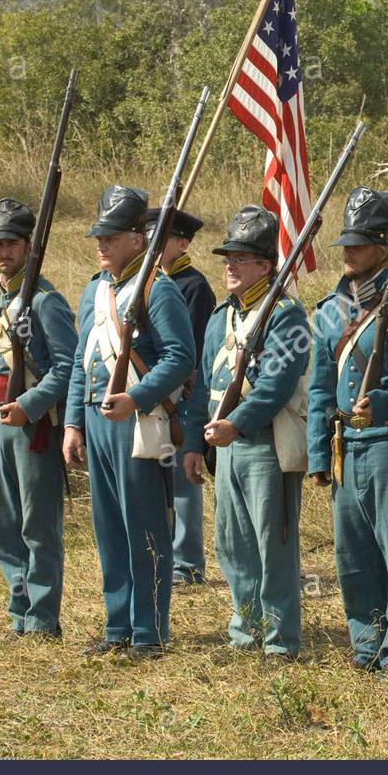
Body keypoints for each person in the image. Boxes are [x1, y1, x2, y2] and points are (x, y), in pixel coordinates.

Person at [307, 187, 388, 671]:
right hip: (345, 446)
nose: (349, 252)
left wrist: (384, 402)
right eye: (346, 243)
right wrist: (319, 453)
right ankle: (367, 643)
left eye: (359, 244)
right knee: (353, 554)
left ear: (382, 248)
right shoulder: (328, 311)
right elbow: (321, 387)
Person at [62, 186, 196, 660]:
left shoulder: (158, 289)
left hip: (137, 424)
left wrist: (136, 397)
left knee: (144, 528)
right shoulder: (94, 291)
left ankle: (149, 631)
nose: (101, 244)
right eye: (100, 235)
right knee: (109, 529)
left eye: (112, 236)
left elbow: (181, 357)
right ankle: (117, 624)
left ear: (137, 240)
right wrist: (72, 424)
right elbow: (81, 361)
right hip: (97, 421)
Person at [182, 206, 309, 659]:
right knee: (231, 543)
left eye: (241, 258)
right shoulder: (222, 315)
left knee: (273, 545)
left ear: (266, 265)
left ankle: (279, 641)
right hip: (225, 445)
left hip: (263, 444)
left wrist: (236, 424)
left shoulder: (286, 316)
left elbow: (275, 386)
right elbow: (202, 386)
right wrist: (193, 443)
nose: (230, 266)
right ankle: (246, 630)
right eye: (228, 258)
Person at [0, 198, 76, 639]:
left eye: (10, 243)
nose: (1, 252)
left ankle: (43, 618)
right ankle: (19, 609)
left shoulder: (47, 301)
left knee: (38, 526)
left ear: (29, 245)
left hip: (34, 428)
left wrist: (30, 404)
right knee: (4, 523)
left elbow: (68, 367)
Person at [145, 206, 217, 587]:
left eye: (163, 238)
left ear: (183, 243)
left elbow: (192, 350)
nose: (154, 244)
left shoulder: (194, 286)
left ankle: (187, 563)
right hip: (150, 393)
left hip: (182, 396)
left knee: (183, 480)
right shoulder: (147, 282)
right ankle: (159, 556)